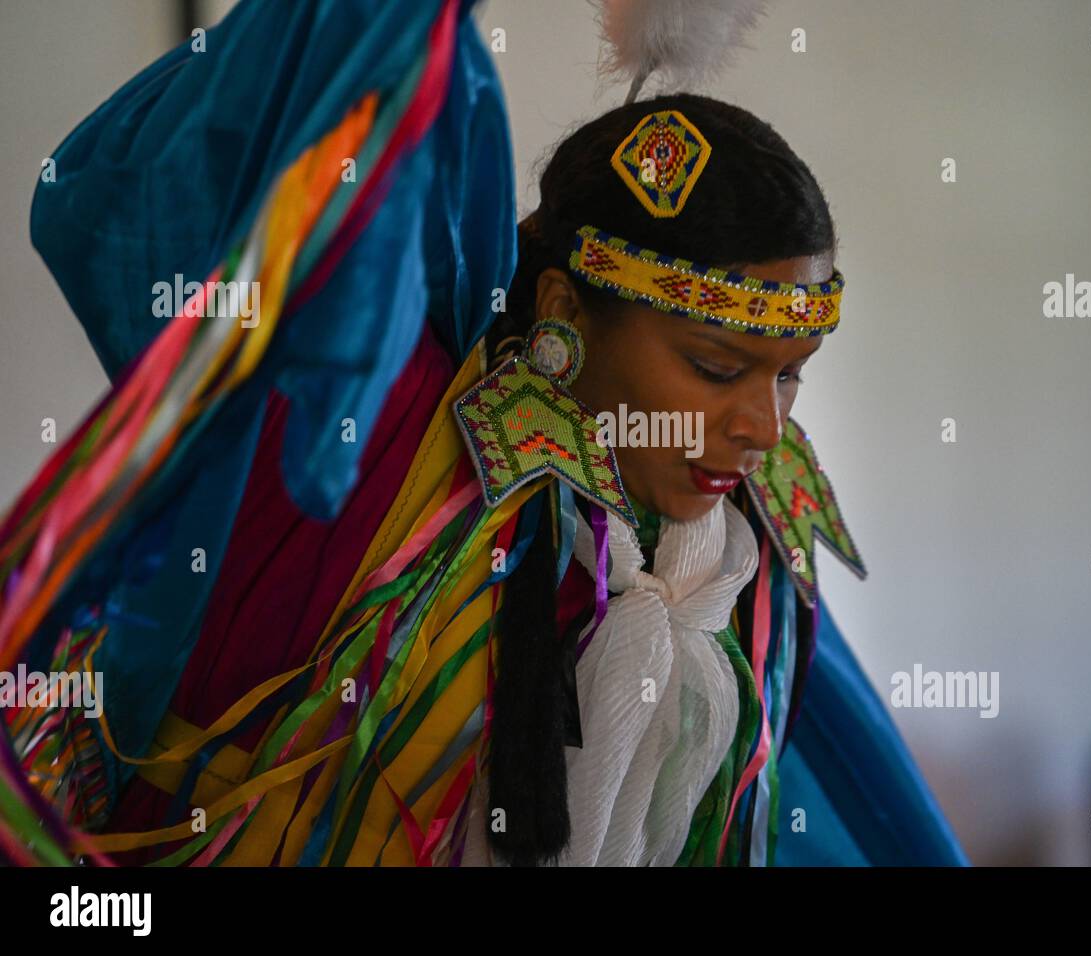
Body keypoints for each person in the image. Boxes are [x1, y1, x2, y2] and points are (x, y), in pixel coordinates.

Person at [0, 0, 966, 867]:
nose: (762, 426)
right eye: (715, 370)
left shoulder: (742, 556)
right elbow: (278, 90)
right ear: (564, 312)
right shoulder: (384, 445)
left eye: (788, 375)